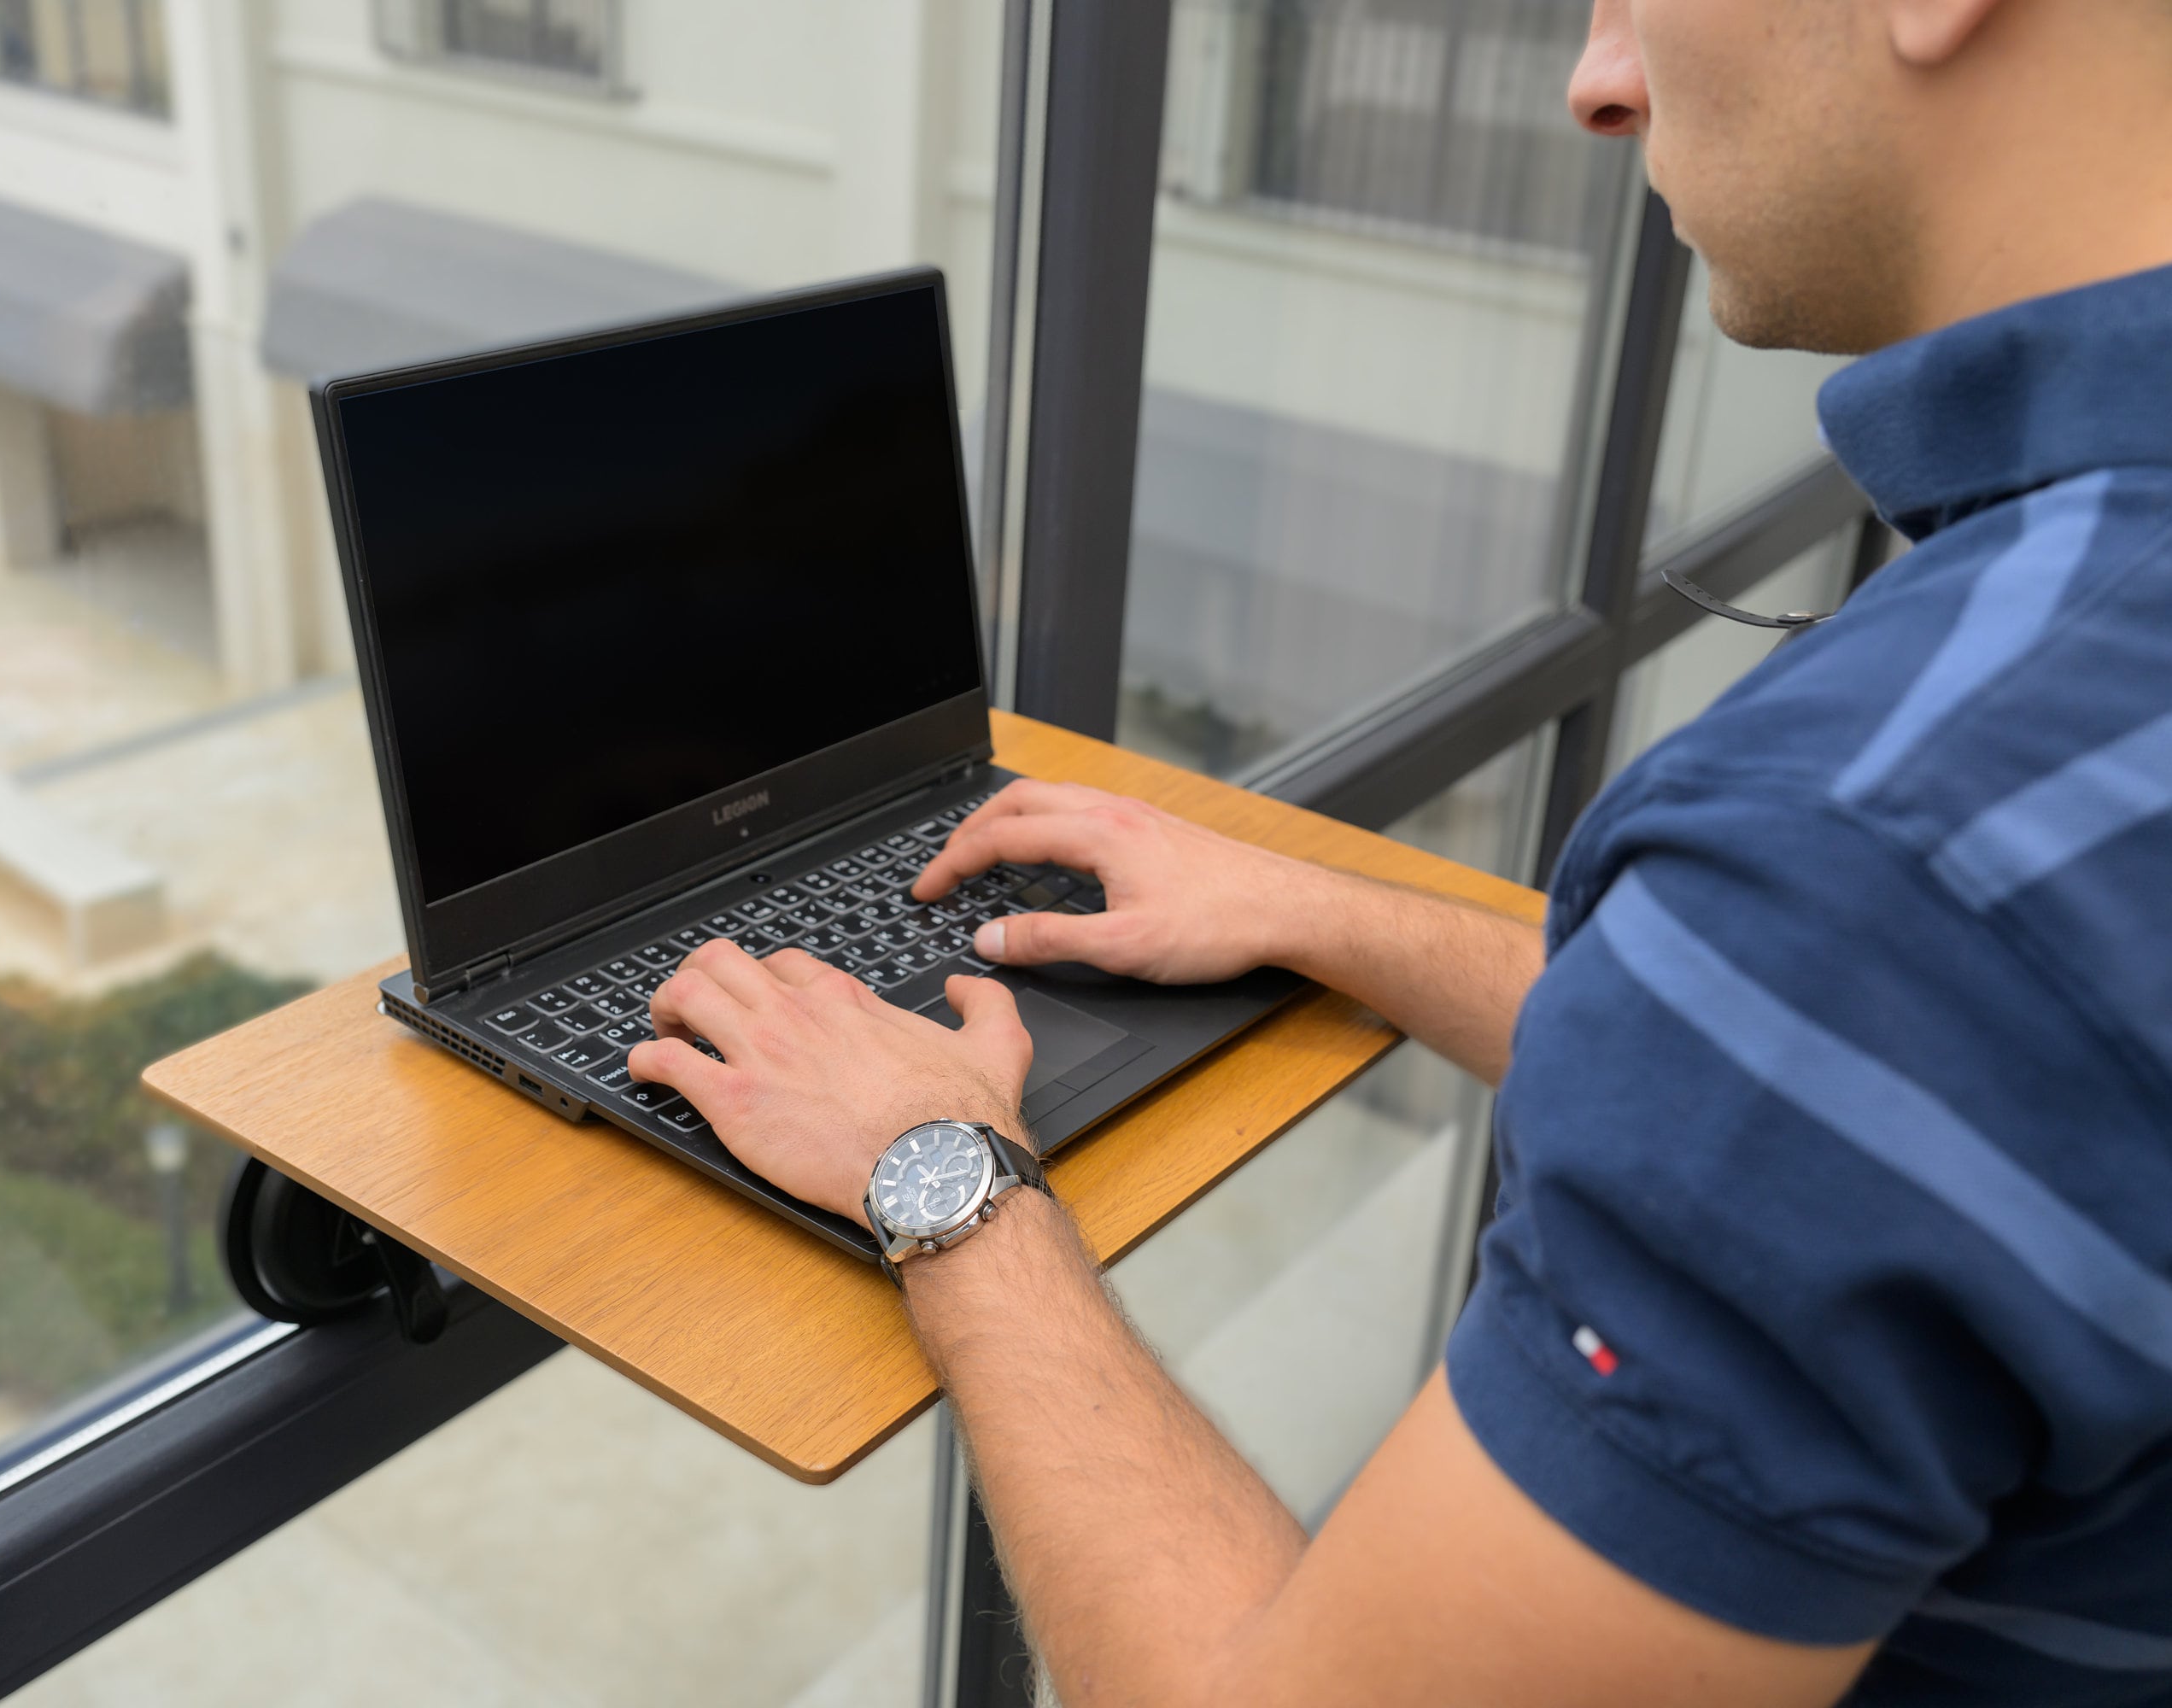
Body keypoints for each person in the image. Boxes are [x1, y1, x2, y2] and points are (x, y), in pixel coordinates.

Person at [628, 0, 2172, 1699]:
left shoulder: (1878, 847)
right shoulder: (2029, 754)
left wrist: (943, 1169)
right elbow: (1926, 1077)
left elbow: (1876, 988)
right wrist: (1308, 908)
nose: (1597, 83)